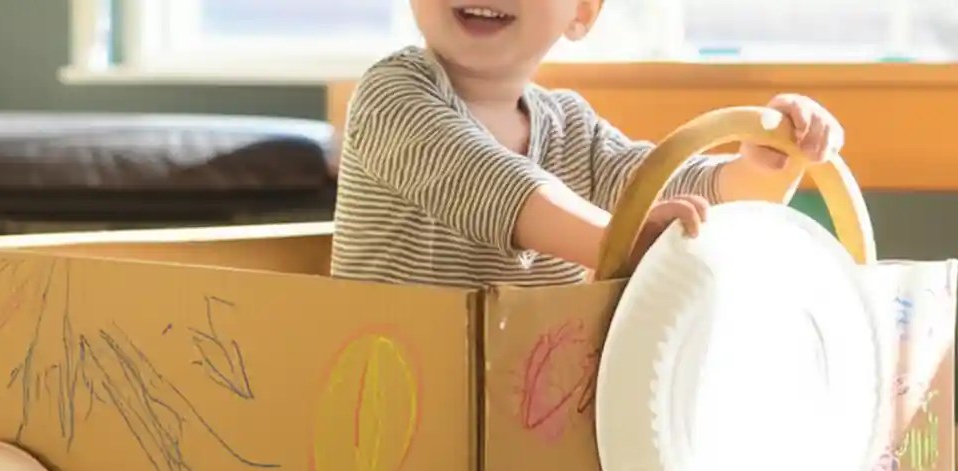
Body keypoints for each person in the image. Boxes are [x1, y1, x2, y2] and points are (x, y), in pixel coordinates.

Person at [331, 0, 845, 288]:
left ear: (582, 11)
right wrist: (624, 239)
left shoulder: (571, 127)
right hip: (393, 416)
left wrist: (765, 165)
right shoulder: (390, 97)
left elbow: (664, 188)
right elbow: (493, 185)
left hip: (526, 427)